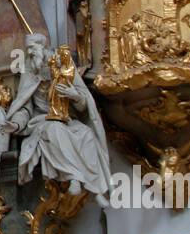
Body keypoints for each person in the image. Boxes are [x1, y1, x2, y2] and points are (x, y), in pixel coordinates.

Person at [6, 33, 111, 204]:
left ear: (43, 47)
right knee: (55, 130)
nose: (30, 52)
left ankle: (96, 188)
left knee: (86, 134)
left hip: (66, 119)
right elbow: (24, 107)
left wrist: (75, 96)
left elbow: (84, 105)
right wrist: (16, 124)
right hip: (42, 120)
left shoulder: (65, 66)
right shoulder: (29, 70)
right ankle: (75, 177)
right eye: (28, 49)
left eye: (33, 47)